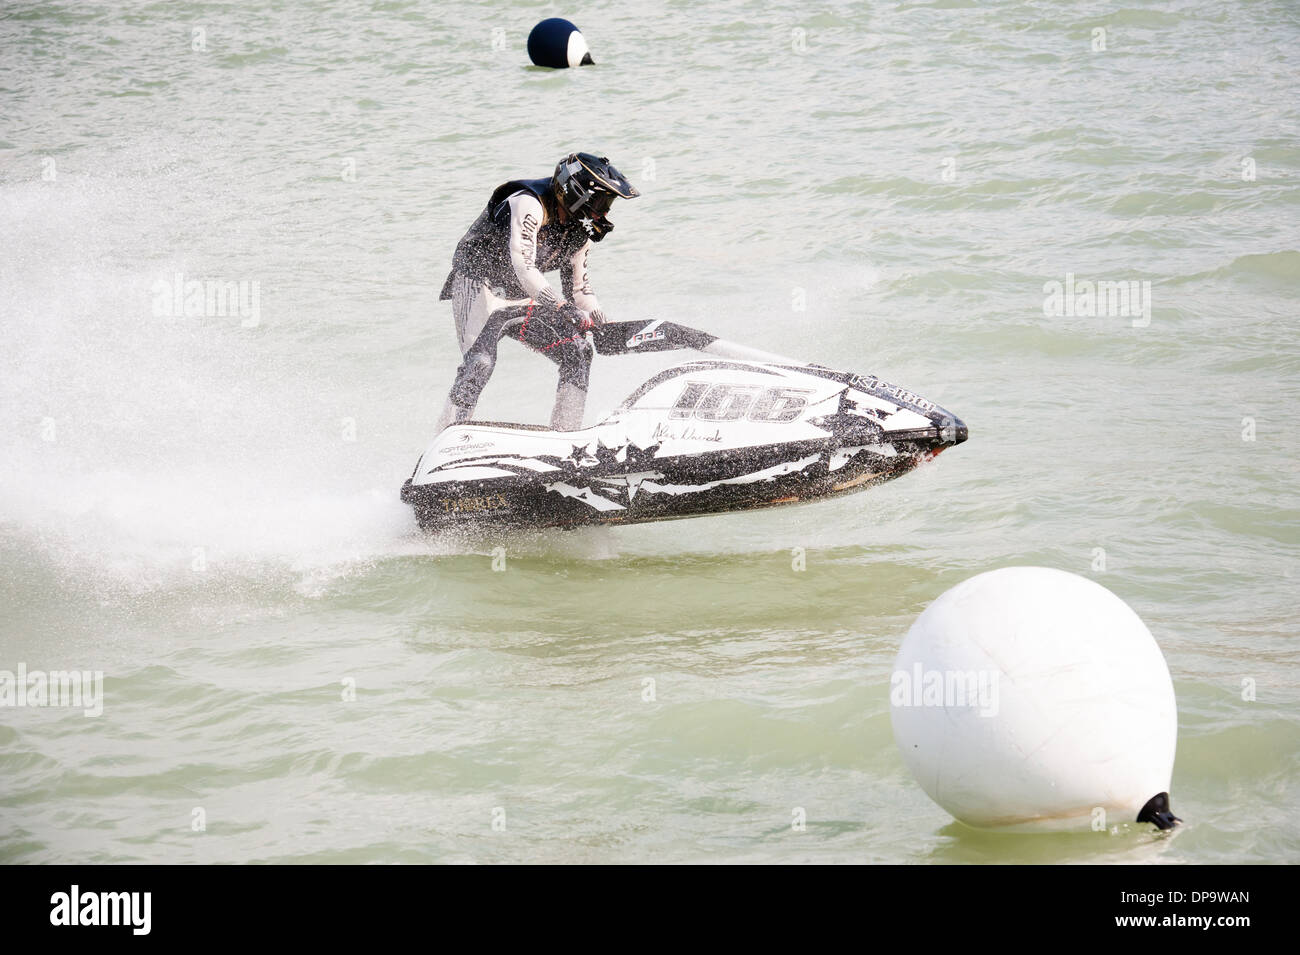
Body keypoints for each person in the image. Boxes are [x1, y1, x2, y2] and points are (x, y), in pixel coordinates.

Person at [433, 152, 639, 433]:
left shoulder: (579, 233)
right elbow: (524, 267)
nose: (604, 212)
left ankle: (566, 438)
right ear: (575, 192)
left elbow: (580, 290)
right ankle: (446, 440)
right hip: (479, 285)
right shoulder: (529, 203)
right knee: (478, 364)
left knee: (578, 350)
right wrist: (562, 306)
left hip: (524, 297)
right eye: (602, 202)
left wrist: (600, 320)